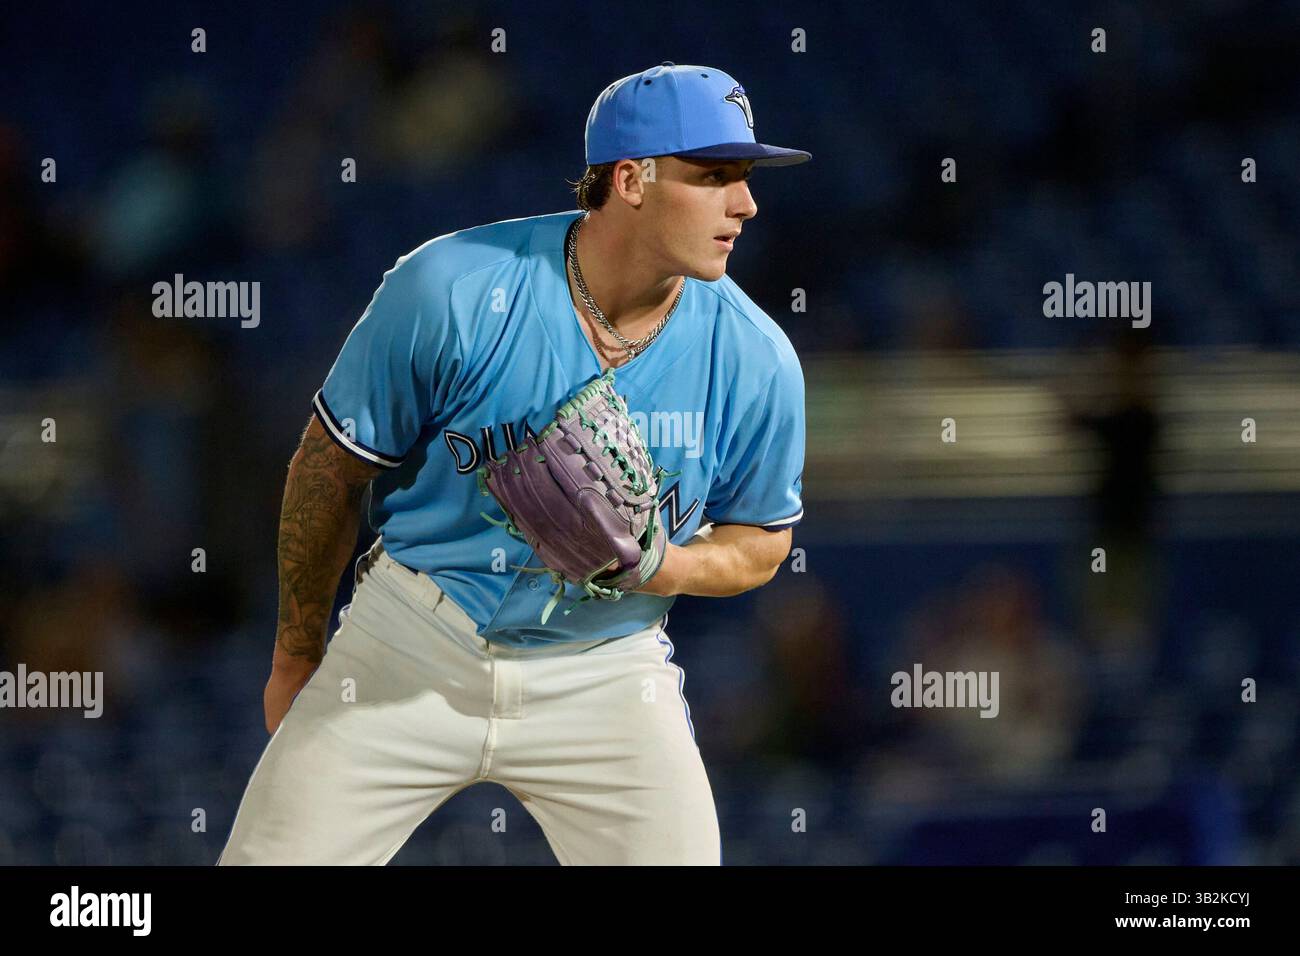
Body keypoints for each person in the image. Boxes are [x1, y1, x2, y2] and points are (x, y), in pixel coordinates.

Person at [218, 62, 810, 865]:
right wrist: (297, 653)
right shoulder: (452, 288)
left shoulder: (755, 355)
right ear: (631, 179)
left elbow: (763, 541)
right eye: (714, 176)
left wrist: (659, 567)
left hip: (607, 671)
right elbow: (327, 470)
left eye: (744, 177)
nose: (746, 203)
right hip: (413, 636)